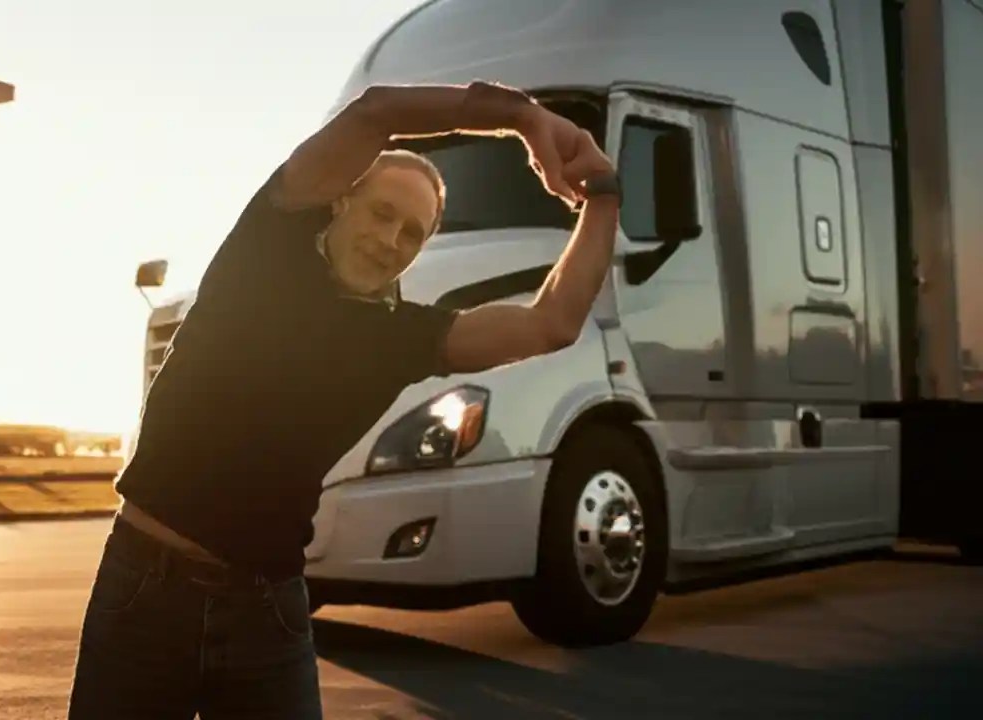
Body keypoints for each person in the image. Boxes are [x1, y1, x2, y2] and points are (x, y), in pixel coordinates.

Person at [66, 81, 621, 719]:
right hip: (146, 592)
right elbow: (377, 113)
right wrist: (521, 117)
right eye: (382, 213)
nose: (390, 240)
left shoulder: (399, 340)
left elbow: (550, 323)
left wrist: (602, 194)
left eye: (412, 234)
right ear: (341, 203)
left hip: (267, 612)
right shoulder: (266, 244)